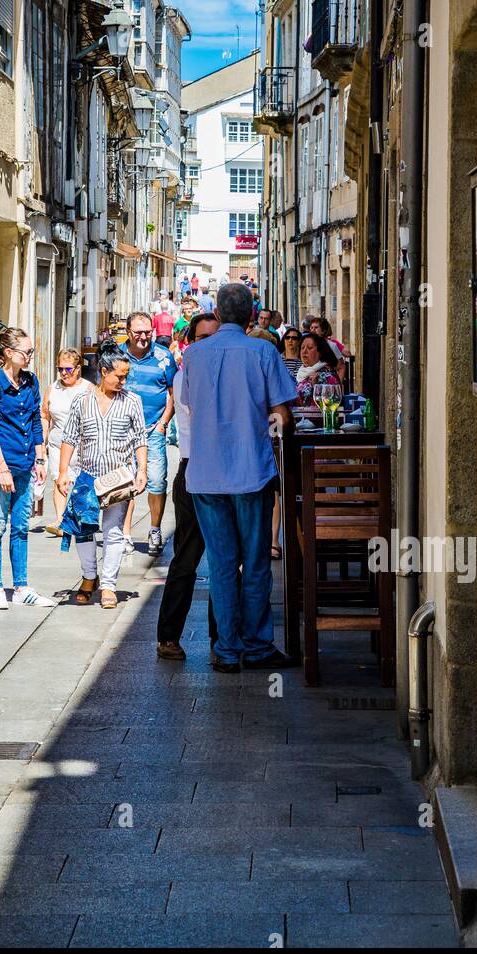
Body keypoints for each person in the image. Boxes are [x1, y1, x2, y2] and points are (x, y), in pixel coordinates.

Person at [181, 283, 298, 671]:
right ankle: (257, 644)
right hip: (251, 471)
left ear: (217, 314)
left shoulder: (194, 355)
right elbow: (283, 416)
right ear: (251, 316)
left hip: (206, 474)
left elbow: (191, 404)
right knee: (256, 561)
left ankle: (227, 649)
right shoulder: (263, 351)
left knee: (221, 564)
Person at [57, 341, 148, 609]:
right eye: (119, 375)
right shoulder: (81, 401)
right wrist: (63, 472)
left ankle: (108, 584)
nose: (123, 380)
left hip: (118, 478)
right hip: (87, 476)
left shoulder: (133, 402)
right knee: (83, 530)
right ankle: (89, 577)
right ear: (104, 371)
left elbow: (140, 439)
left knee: (114, 532)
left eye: (126, 376)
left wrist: (141, 471)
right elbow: (70, 437)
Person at [157, 311, 221, 660]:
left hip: (222, 473)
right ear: (189, 344)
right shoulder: (185, 377)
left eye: (215, 337)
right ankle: (168, 636)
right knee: (187, 556)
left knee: (226, 561)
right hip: (194, 471)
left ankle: (219, 639)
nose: (209, 345)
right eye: (202, 338)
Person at [0, 326, 56, 609]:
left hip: (26, 463)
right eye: (27, 351)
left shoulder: (31, 381)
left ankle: (21, 587)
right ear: (9, 353)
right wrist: (3, 469)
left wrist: (41, 458)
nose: (30, 356)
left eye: (32, 351)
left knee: (21, 527)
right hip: (3, 465)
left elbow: (36, 420)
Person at [119, 312, 177, 557]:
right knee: (124, 482)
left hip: (153, 429)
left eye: (148, 332)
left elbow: (175, 392)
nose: (143, 337)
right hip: (122, 431)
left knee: (156, 480)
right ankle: (124, 533)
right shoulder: (116, 355)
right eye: (138, 332)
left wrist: (164, 423)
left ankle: (154, 529)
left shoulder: (164, 357)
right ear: (128, 332)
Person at [40, 348, 91, 538]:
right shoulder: (53, 388)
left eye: (68, 369)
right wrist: (42, 443)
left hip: (81, 445)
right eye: (60, 369)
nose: (63, 373)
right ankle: (60, 520)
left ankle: (78, 519)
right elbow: (45, 415)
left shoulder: (88, 389)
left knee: (79, 483)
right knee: (59, 481)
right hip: (57, 444)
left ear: (77, 369)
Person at [296, 332, 344, 405]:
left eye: (310, 348)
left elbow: (332, 404)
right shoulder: (302, 372)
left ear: (320, 352)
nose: (304, 351)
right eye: (302, 348)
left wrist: (316, 386)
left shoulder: (329, 376)